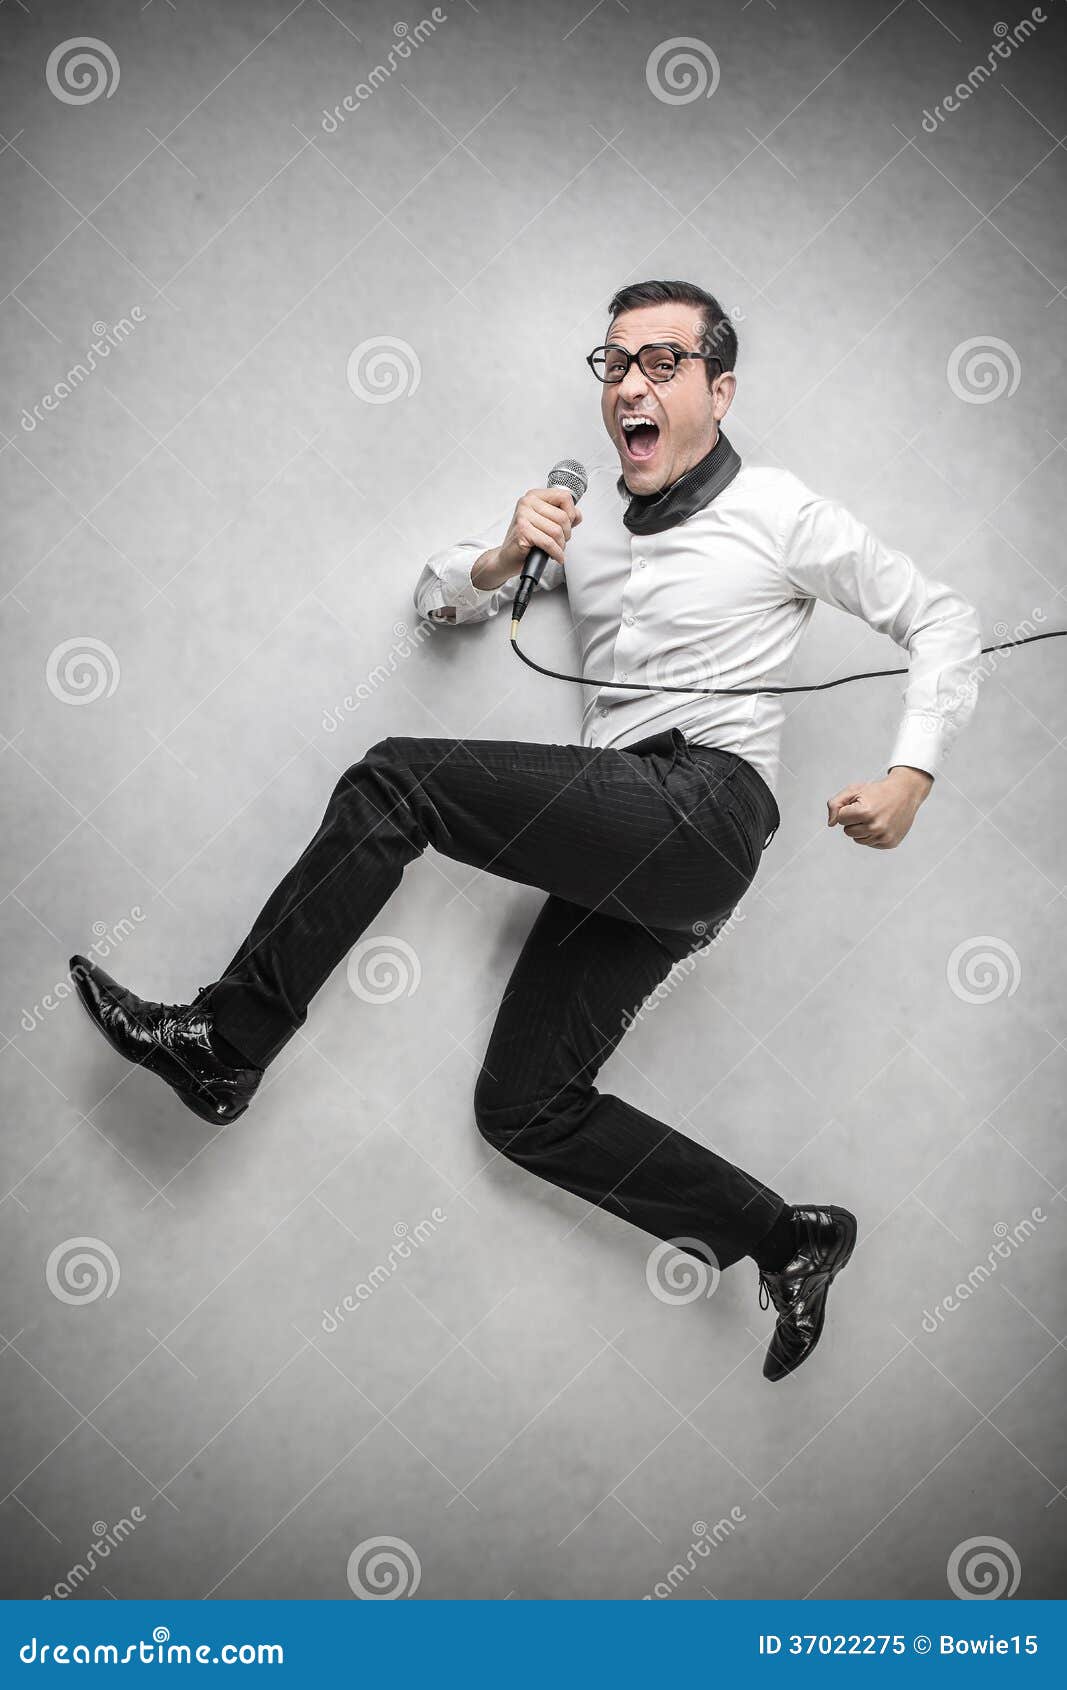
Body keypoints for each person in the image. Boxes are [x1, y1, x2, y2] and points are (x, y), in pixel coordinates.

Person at [71, 279, 982, 1382]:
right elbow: (430, 596)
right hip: (633, 854)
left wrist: (910, 774)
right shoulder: (583, 531)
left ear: (719, 387)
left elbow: (938, 615)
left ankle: (225, 1044)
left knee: (396, 783)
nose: (628, 385)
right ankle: (786, 1237)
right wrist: (501, 558)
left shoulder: (781, 512)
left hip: (703, 808)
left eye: (659, 362)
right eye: (611, 364)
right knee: (522, 1110)